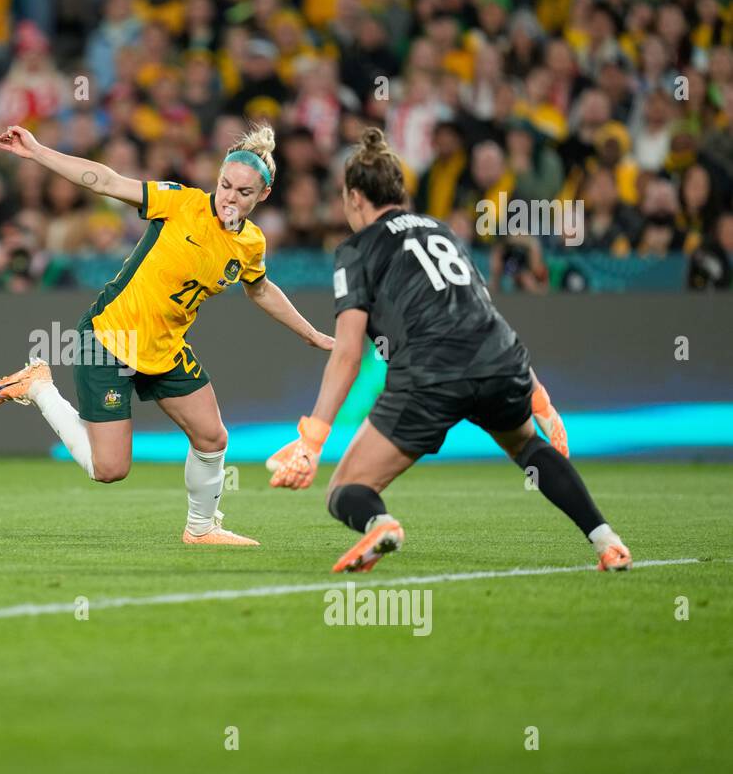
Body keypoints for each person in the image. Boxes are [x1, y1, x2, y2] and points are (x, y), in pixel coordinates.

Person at [267, 128, 630, 573]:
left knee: (345, 491)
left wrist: (312, 438)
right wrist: (541, 399)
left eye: (345, 196)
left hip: (431, 375)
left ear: (356, 197)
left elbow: (347, 353)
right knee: (530, 449)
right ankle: (608, 542)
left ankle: (382, 525)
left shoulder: (357, 249)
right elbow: (484, 312)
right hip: (499, 361)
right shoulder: (442, 231)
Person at [0, 122, 334, 545]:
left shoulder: (250, 244)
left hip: (165, 348)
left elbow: (259, 288)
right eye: (225, 186)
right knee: (109, 470)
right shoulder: (180, 202)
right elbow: (107, 180)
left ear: (263, 196)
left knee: (212, 436)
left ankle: (201, 529)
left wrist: (312, 334)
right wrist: (39, 152)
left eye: (243, 193)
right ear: (217, 178)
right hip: (111, 337)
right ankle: (38, 385)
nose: (229, 198)